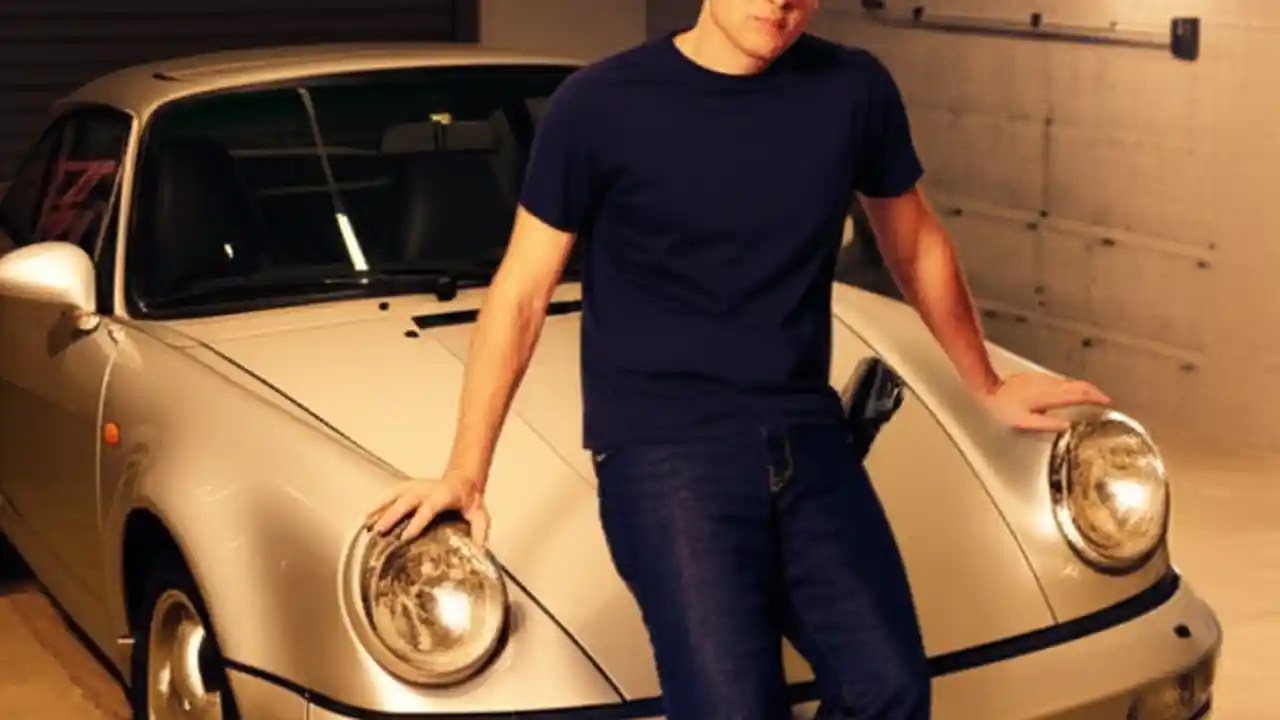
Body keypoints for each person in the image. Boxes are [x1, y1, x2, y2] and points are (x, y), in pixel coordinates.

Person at [366, 0, 1112, 717]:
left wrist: (984, 381)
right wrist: (467, 470)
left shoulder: (854, 90)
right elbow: (522, 292)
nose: (780, 1)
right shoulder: (600, 105)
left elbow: (914, 243)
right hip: (666, 453)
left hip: (807, 435)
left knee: (888, 689)